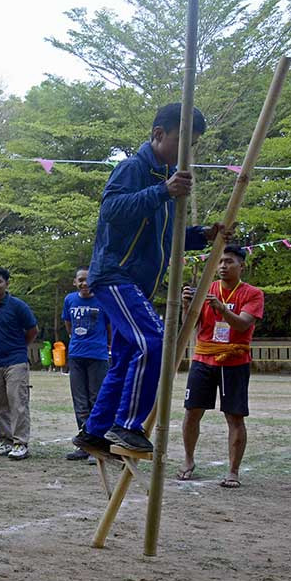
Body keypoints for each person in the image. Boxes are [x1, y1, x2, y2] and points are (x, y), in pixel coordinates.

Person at [73, 103, 227, 457]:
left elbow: (166, 234)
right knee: (154, 341)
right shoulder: (133, 169)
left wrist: (202, 234)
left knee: (127, 358)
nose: (187, 152)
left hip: (137, 284)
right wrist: (163, 192)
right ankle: (127, 427)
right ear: (159, 135)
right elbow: (112, 211)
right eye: (182, 141)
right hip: (115, 275)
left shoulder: (166, 181)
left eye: (193, 144)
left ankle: (94, 431)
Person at [178, 246, 263, 488]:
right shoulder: (207, 289)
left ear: (241, 266)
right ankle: (188, 459)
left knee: (235, 416)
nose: (223, 266)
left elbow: (243, 325)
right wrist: (186, 306)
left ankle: (233, 471)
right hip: (203, 359)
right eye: (220, 262)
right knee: (192, 411)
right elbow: (190, 327)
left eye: (229, 261)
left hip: (234, 362)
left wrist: (222, 309)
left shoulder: (253, 293)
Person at [0, 268, 39, 460]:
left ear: (6, 284)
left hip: (16, 361)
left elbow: (32, 330)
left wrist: (20, 348)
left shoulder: (18, 306)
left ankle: (21, 443)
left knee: (18, 402)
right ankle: (6, 441)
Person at [61, 268, 111, 462]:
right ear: (75, 282)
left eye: (88, 280)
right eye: (80, 280)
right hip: (76, 356)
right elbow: (68, 324)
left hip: (98, 356)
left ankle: (98, 444)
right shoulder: (70, 300)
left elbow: (109, 328)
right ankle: (84, 444)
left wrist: (106, 346)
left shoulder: (103, 299)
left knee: (96, 400)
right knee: (80, 402)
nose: (84, 283)